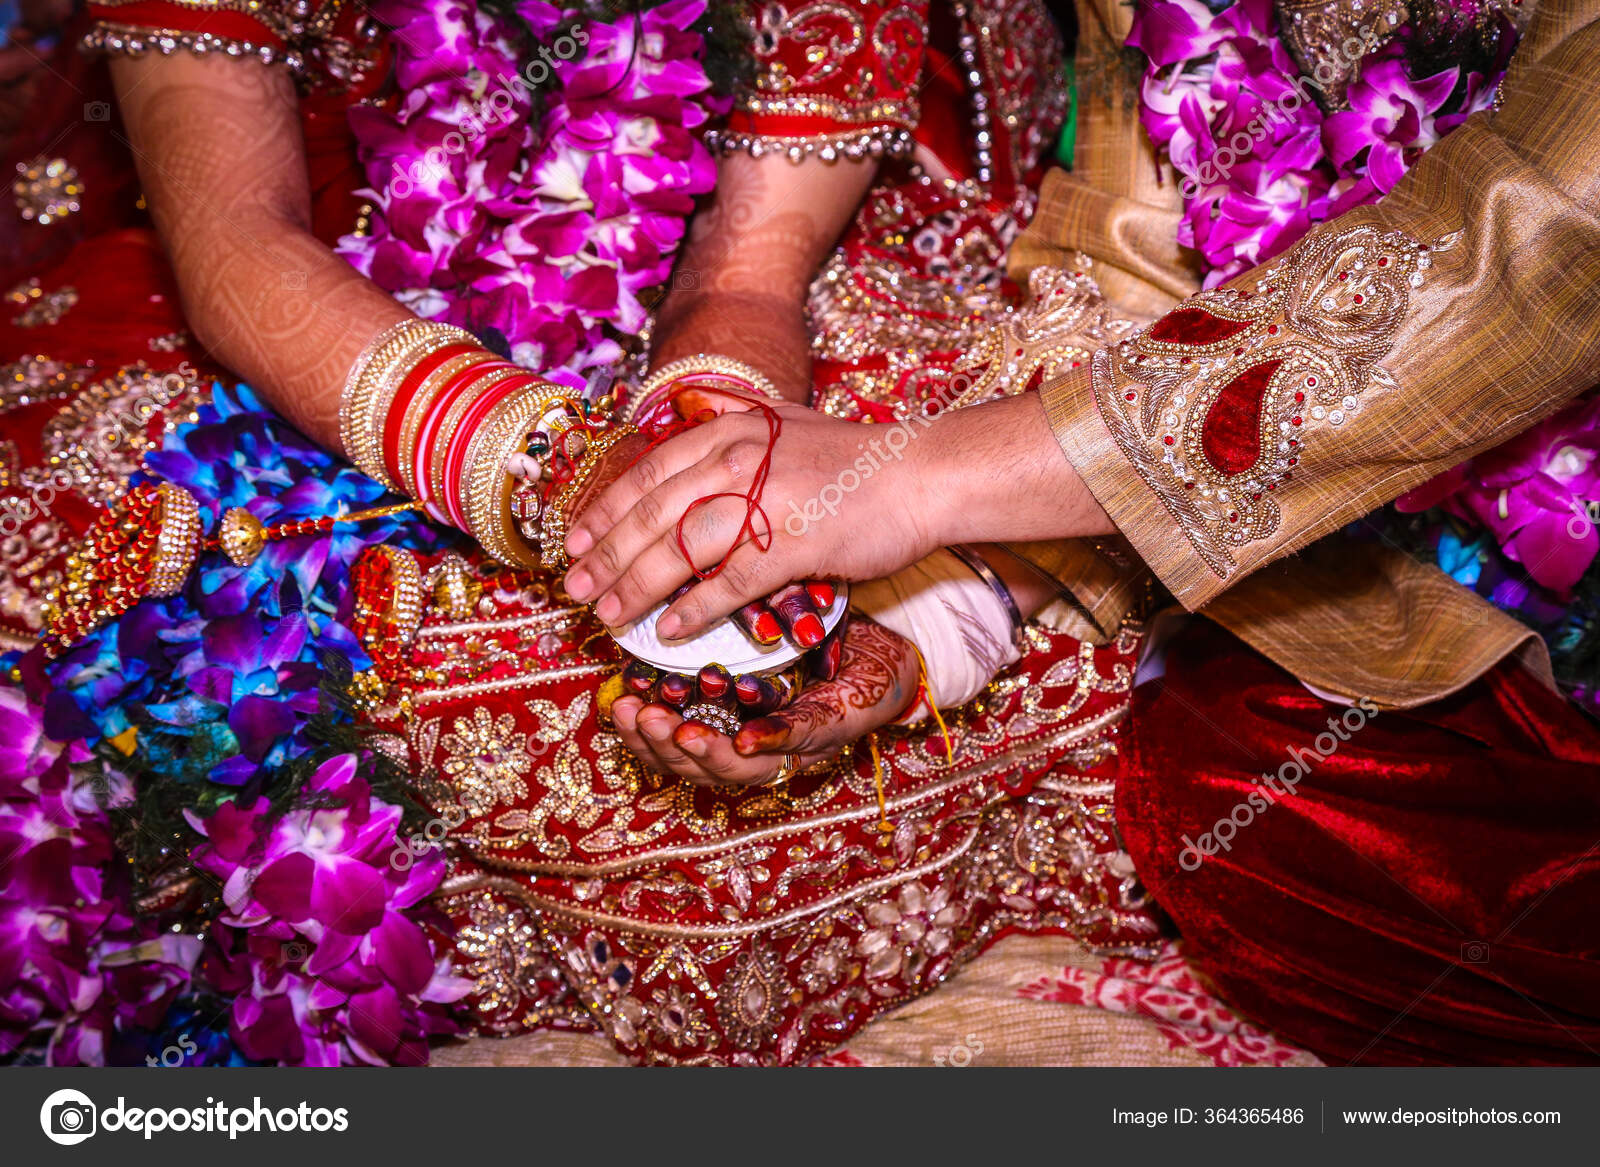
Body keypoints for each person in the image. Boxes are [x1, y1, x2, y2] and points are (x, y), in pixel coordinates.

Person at [563, 0, 1600, 1063]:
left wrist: (921, 482)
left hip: (1545, 496)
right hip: (1340, 516)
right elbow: (1130, 279)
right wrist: (945, 609)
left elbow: (1546, 237)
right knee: (1248, 792)